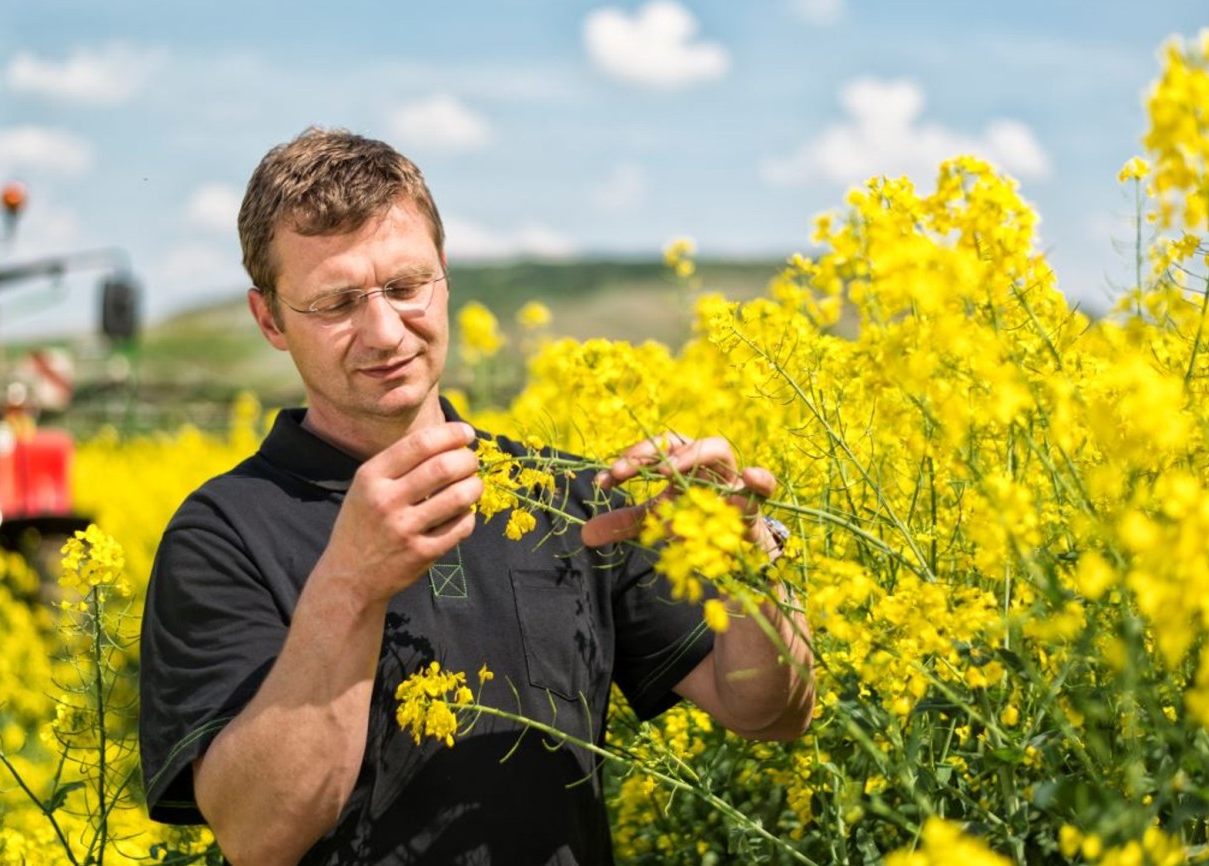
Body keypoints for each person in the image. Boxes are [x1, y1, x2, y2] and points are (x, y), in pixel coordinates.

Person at [138, 128, 816, 866]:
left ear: (445, 276)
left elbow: (770, 711)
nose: (384, 331)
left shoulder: (564, 497)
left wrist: (746, 564)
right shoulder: (223, 533)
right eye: (336, 303)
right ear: (269, 319)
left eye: (405, 287)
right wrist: (350, 583)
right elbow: (259, 835)